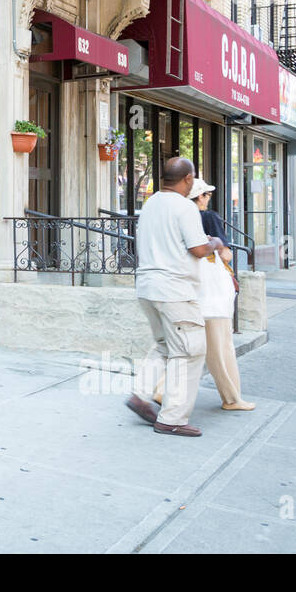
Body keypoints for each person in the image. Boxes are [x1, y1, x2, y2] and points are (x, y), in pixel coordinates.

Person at [125, 157, 226, 438]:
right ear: (188, 179)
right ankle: (172, 418)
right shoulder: (184, 207)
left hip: (147, 287)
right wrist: (215, 242)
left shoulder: (151, 203)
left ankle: (140, 395)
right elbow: (198, 249)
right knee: (189, 352)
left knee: (164, 347)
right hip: (175, 291)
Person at [156, 177, 254, 411]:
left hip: (183, 287)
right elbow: (226, 255)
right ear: (199, 197)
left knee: (184, 347)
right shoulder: (208, 217)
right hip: (212, 290)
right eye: (206, 195)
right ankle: (232, 398)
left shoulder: (173, 219)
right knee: (220, 348)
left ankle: (160, 389)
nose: (208, 199)